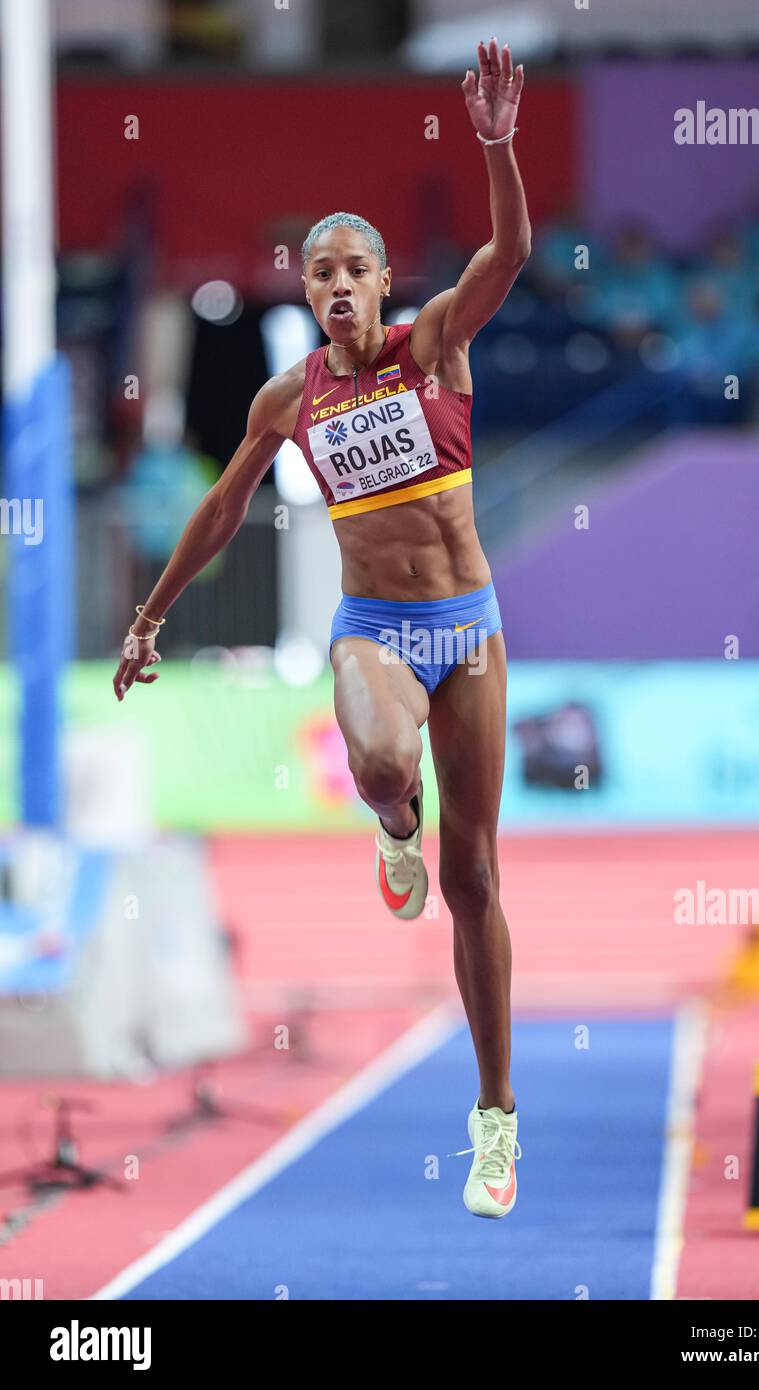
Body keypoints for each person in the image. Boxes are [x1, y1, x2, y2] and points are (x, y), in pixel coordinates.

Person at [113, 38, 529, 1219]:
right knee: (385, 760)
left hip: (470, 630)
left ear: (386, 280)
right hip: (373, 631)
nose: (337, 287)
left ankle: (493, 1116)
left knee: (479, 878)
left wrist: (495, 148)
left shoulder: (434, 345)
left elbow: (509, 252)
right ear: (303, 293)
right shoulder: (290, 399)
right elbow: (222, 503)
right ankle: (390, 816)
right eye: (318, 275)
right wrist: (149, 617)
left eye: (355, 270)